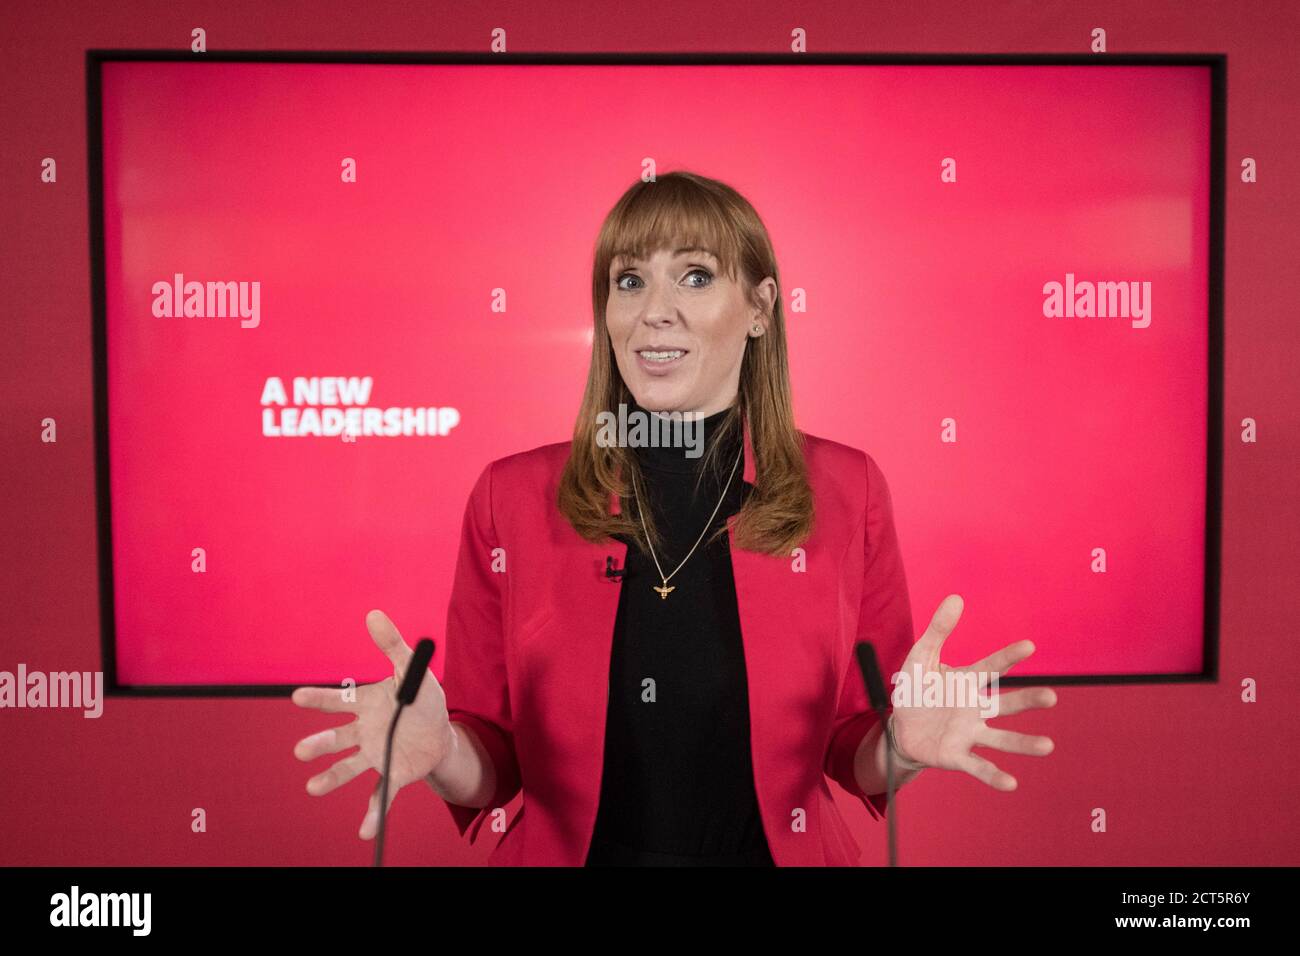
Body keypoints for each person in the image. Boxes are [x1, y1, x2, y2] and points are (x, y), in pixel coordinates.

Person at [291, 170, 1058, 865]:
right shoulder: (510, 496)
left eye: (694, 277)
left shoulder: (847, 488)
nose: (654, 312)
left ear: (760, 309)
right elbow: (490, 762)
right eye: (629, 281)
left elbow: (856, 741)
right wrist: (441, 749)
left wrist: (902, 746)